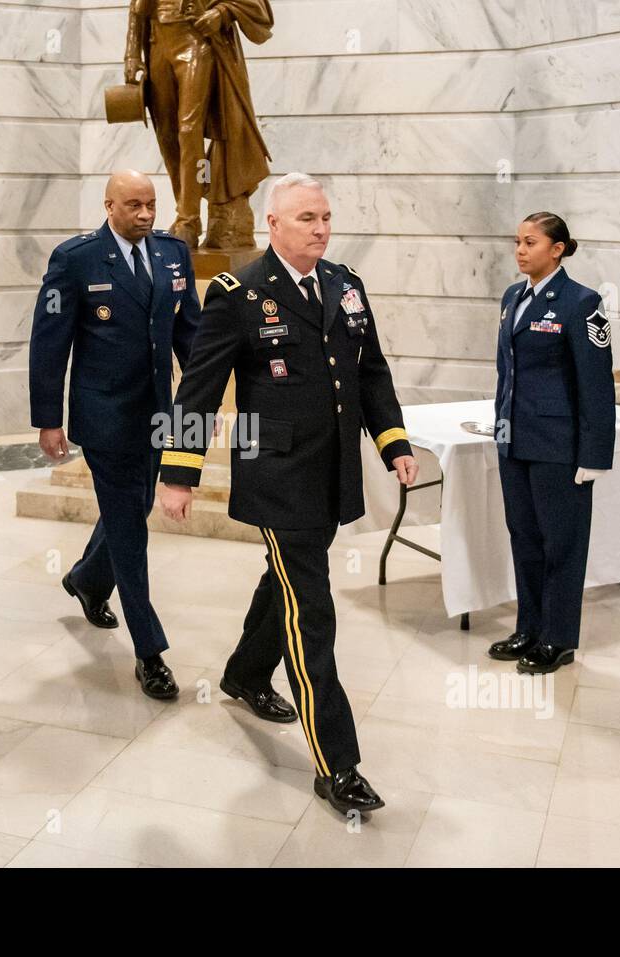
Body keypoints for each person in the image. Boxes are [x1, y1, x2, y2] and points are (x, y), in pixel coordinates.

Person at [159, 172, 417, 816]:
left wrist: (393, 442)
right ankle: (337, 764)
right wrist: (178, 472)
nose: (321, 228)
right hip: (275, 472)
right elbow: (196, 388)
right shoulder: (239, 292)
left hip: (331, 471)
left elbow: (371, 372)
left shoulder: (345, 286)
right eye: (307, 218)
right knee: (312, 609)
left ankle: (245, 673)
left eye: (326, 216)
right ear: (273, 225)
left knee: (284, 579)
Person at [29, 170, 200, 699]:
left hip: (157, 412)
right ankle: (149, 651)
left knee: (136, 505)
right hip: (103, 416)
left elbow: (189, 335)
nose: (146, 215)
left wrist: (200, 407)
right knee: (130, 529)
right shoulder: (76, 259)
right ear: (108, 205)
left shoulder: (173, 253)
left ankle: (85, 579)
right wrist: (48, 418)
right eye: (134, 205)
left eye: (151, 204)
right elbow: (49, 342)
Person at [488, 212, 615, 674]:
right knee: (524, 537)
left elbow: (596, 384)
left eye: (531, 242)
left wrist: (595, 455)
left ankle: (558, 638)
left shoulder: (581, 302)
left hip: (559, 446)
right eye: (517, 241)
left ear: (557, 249)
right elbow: (508, 373)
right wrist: (500, 426)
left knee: (561, 543)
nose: (520, 250)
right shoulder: (513, 297)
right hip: (516, 441)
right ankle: (529, 628)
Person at [123, 0, 273, 248]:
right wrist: (131, 53)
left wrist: (221, 13)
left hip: (195, 39)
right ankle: (184, 207)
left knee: (188, 129)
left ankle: (188, 220)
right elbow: (136, 5)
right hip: (157, 40)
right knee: (167, 132)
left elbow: (255, 5)